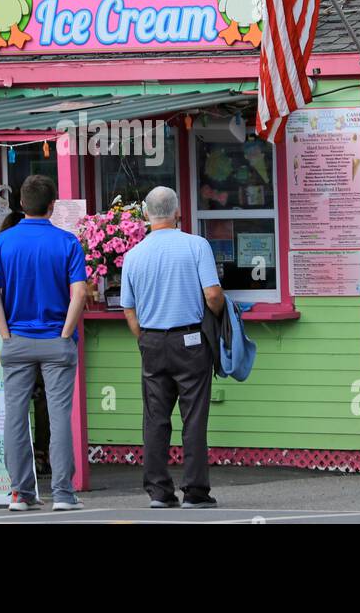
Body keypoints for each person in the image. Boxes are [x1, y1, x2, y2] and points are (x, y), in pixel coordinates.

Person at [0, 175, 87, 511]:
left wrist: (5, 334)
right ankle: (62, 493)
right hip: (56, 339)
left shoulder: (2, 243)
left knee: (15, 417)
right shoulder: (67, 242)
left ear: (21, 205)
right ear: (52, 205)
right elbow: (80, 293)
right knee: (59, 418)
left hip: (17, 338)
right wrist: (65, 332)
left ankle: (20, 493)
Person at [120, 186, 224, 509]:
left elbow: (128, 308)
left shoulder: (133, 255)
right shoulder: (196, 246)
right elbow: (213, 295)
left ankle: (159, 492)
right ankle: (195, 491)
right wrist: (221, 317)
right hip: (190, 340)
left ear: (147, 216)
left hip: (151, 340)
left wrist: (143, 336)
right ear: (178, 212)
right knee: (193, 417)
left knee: (155, 417)